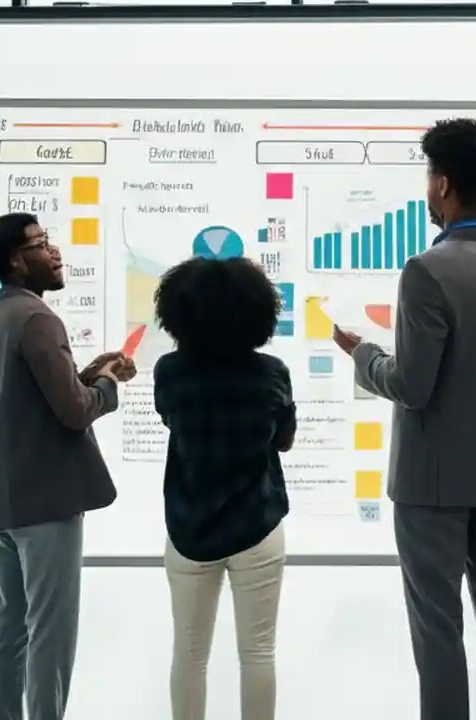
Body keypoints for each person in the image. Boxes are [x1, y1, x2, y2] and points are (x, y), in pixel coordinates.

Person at [332, 117, 476, 720]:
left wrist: (362, 353)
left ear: (444, 184)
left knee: (439, 630)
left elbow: (411, 386)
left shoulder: (427, 271)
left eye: (428, 179)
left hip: (432, 485)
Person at [0, 212, 134, 720]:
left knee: (12, 632)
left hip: (7, 504)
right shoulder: (40, 319)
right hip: (47, 505)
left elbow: (34, 399)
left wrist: (88, 372)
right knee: (51, 636)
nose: (56, 252)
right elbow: (74, 411)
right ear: (19, 262)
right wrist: (107, 385)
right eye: (42, 244)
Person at [151, 256, 295, 720]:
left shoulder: (170, 371)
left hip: (189, 525)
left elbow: (172, 419)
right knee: (257, 653)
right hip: (258, 522)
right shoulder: (271, 372)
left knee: (189, 655)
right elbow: (284, 440)